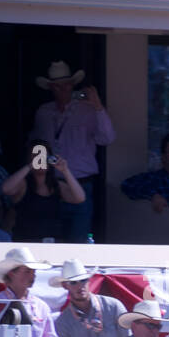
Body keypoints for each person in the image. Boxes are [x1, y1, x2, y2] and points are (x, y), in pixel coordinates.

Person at [29, 60, 115, 242]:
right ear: (50, 88)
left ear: (72, 85)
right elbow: (36, 145)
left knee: (78, 240)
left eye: (66, 85)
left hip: (81, 183)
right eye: (57, 86)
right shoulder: (43, 112)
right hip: (51, 185)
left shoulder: (88, 110)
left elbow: (107, 138)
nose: (62, 90)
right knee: (50, 239)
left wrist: (98, 106)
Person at [0, 140, 85, 242]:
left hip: (53, 242)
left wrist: (65, 170)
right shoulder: (23, 184)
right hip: (27, 242)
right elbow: (5, 189)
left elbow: (80, 198)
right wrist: (30, 165)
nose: (40, 160)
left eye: (44, 157)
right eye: (36, 156)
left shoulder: (57, 185)